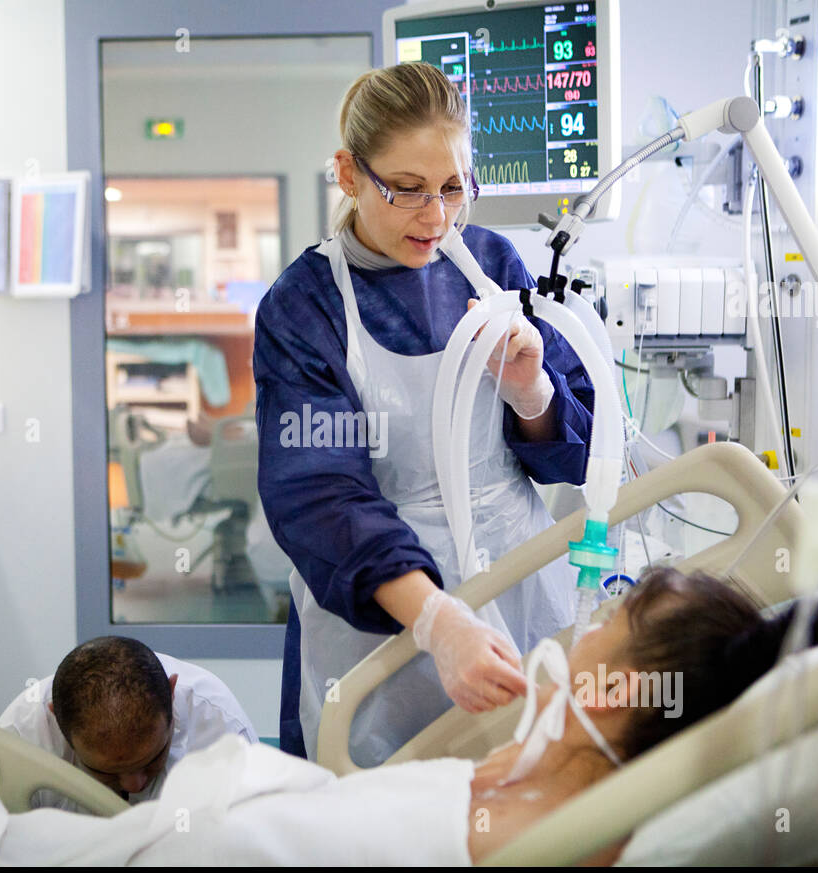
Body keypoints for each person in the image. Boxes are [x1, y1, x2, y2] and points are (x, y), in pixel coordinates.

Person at [0, 568, 818, 866]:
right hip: (182, 818)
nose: (577, 624)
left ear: (614, 697)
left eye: (611, 611)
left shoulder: (551, 829)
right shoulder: (527, 780)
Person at [253, 61, 595, 766]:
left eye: (453, 189)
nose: (436, 217)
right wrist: (439, 622)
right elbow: (319, 497)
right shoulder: (305, 308)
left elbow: (577, 448)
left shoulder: (494, 262)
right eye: (406, 190)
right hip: (384, 610)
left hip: (520, 574)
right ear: (348, 175)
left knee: (536, 792)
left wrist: (532, 392)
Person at [0, 636, 257, 807]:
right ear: (57, 720)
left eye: (152, 759)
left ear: (171, 695)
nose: (134, 785)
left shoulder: (222, 729)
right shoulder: (14, 748)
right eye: (106, 771)